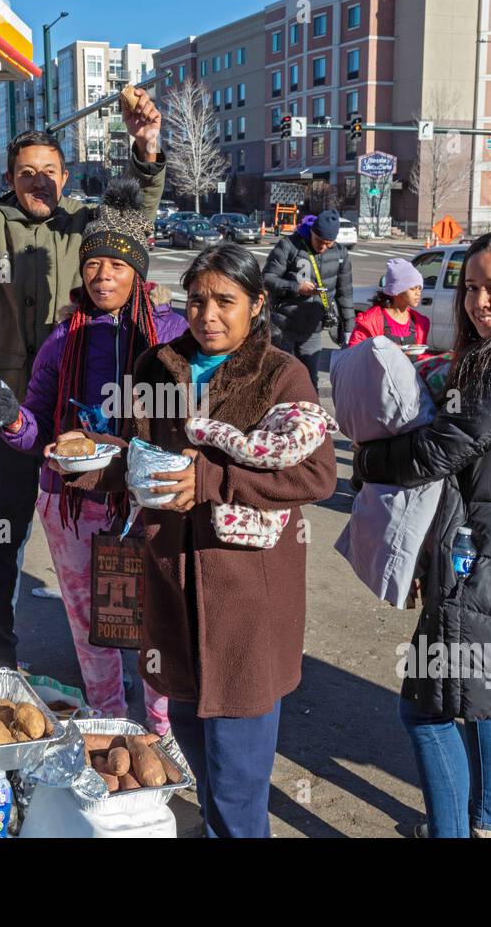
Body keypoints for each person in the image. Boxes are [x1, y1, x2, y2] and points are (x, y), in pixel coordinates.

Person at [56, 243, 337, 837]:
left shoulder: (282, 374)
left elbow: (315, 474)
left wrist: (211, 480)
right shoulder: (157, 367)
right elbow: (139, 462)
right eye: (197, 300)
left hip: (245, 602)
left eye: (225, 302)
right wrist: (86, 463)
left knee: (237, 785)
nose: (208, 315)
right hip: (171, 590)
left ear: (257, 304)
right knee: (195, 751)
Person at [0, 88, 166, 670]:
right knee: (3, 539)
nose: (38, 181)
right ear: (9, 177)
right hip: (6, 418)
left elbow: (134, 220)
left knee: (101, 535)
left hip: (79, 418)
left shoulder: (86, 226)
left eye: (49, 172)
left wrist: (145, 146)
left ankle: (108, 661)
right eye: (26, 172)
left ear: (65, 175)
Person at [353, 226, 491, 838]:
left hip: (488, 562)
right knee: (485, 700)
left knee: (424, 710)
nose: (479, 301)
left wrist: (368, 463)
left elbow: (447, 446)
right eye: (471, 287)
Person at [0, 178, 186, 733]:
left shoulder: (170, 333)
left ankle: (162, 731)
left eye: (117, 266)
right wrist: (9, 420)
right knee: (90, 623)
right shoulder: (61, 338)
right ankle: (107, 726)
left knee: (154, 622)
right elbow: (36, 429)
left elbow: (195, 415)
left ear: (138, 272)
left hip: (146, 503)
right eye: (94, 264)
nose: (102, 276)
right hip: (70, 502)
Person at [263, 208, 354, 386]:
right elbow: (267, 279)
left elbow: (345, 293)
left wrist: (350, 328)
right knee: (279, 379)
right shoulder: (289, 245)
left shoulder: (340, 254)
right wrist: (296, 288)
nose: (323, 247)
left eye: (329, 243)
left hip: (313, 327)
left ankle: (310, 413)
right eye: (319, 241)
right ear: (312, 231)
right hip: (283, 326)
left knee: (310, 380)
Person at [347, 258, 430, 348]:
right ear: (396, 291)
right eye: (413, 288)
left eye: (419, 288)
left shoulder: (420, 322)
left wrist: (440, 359)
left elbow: (419, 357)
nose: (418, 293)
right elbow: (354, 353)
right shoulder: (371, 321)